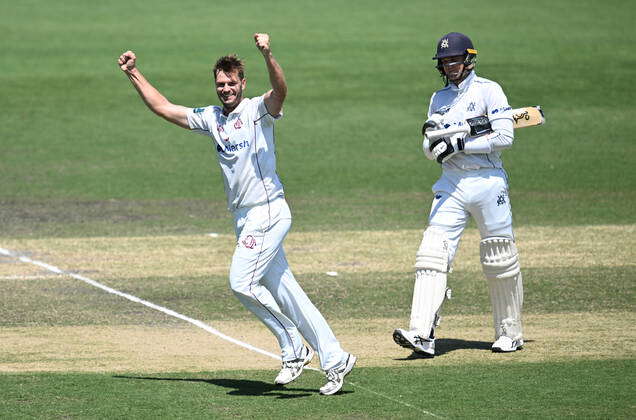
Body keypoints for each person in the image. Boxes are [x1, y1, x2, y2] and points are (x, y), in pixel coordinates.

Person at [117, 33, 356, 395]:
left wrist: (268, 54)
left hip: (269, 212)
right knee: (289, 293)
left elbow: (281, 91)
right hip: (244, 218)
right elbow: (165, 108)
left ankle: (293, 347)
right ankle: (336, 359)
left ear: (243, 83)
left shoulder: (257, 110)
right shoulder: (212, 118)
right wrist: (134, 73)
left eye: (231, 83)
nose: (225, 89)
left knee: (241, 282)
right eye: (220, 84)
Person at [393, 32, 524, 356]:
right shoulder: (438, 99)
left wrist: (461, 143)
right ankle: (422, 334)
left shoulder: (489, 90)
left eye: (455, 59)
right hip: (450, 182)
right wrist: (437, 149)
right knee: (431, 251)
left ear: (468, 59)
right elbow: (429, 143)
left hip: (487, 180)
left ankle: (510, 333)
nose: (450, 65)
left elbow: (505, 136)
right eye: (445, 61)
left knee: (499, 257)